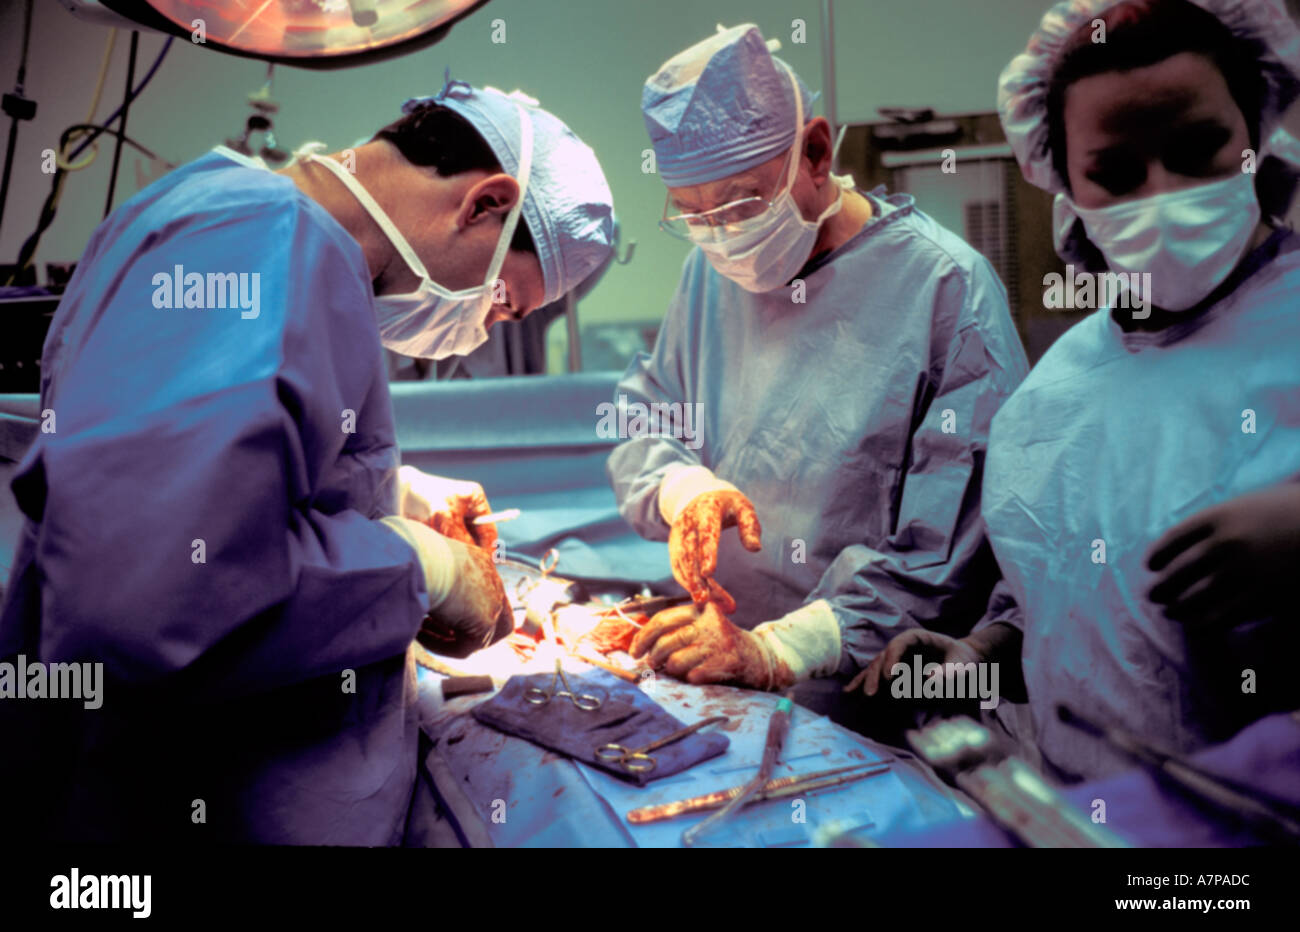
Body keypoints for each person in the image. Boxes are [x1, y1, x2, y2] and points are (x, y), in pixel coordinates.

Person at [0, 74, 614, 843]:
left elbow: (177, 468)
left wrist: (383, 495)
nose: (485, 332)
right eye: (501, 302)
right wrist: (418, 566)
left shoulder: (204, 206)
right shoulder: (266, 242)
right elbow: (149, 589)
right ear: (486, 202)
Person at [853, 0, 1300, 782]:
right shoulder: (1053, 399)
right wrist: (975, 659)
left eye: (1200, 150)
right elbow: (1068, 617)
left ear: (1256, 140)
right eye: (1117, 172)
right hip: (1093, 823)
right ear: (1066, 185)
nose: (1163, 192)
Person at [608, 25, 1029, 693]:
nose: (723, 235)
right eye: (693, 214)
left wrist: (783, 650)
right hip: (718, 661)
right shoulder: (709, 273)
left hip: (863, 690)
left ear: (816, 150)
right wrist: (683, 486)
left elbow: (951, 554)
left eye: (742, 202)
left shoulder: (946, 288)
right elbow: (645, 417)